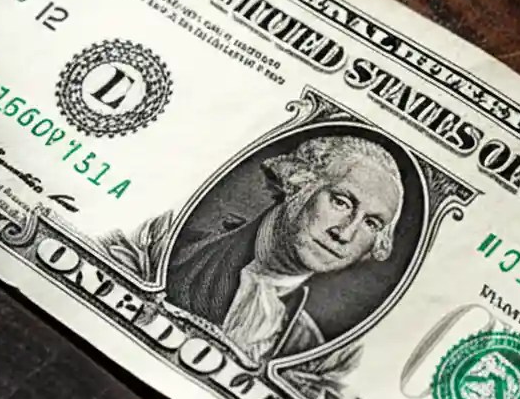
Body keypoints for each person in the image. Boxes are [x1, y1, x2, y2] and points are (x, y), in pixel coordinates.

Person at [166, 135, 404, 367]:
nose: (344, 234)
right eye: (340, 202)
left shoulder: (307, 348)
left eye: (371, 223)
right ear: (299, 184)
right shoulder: (171, 250)